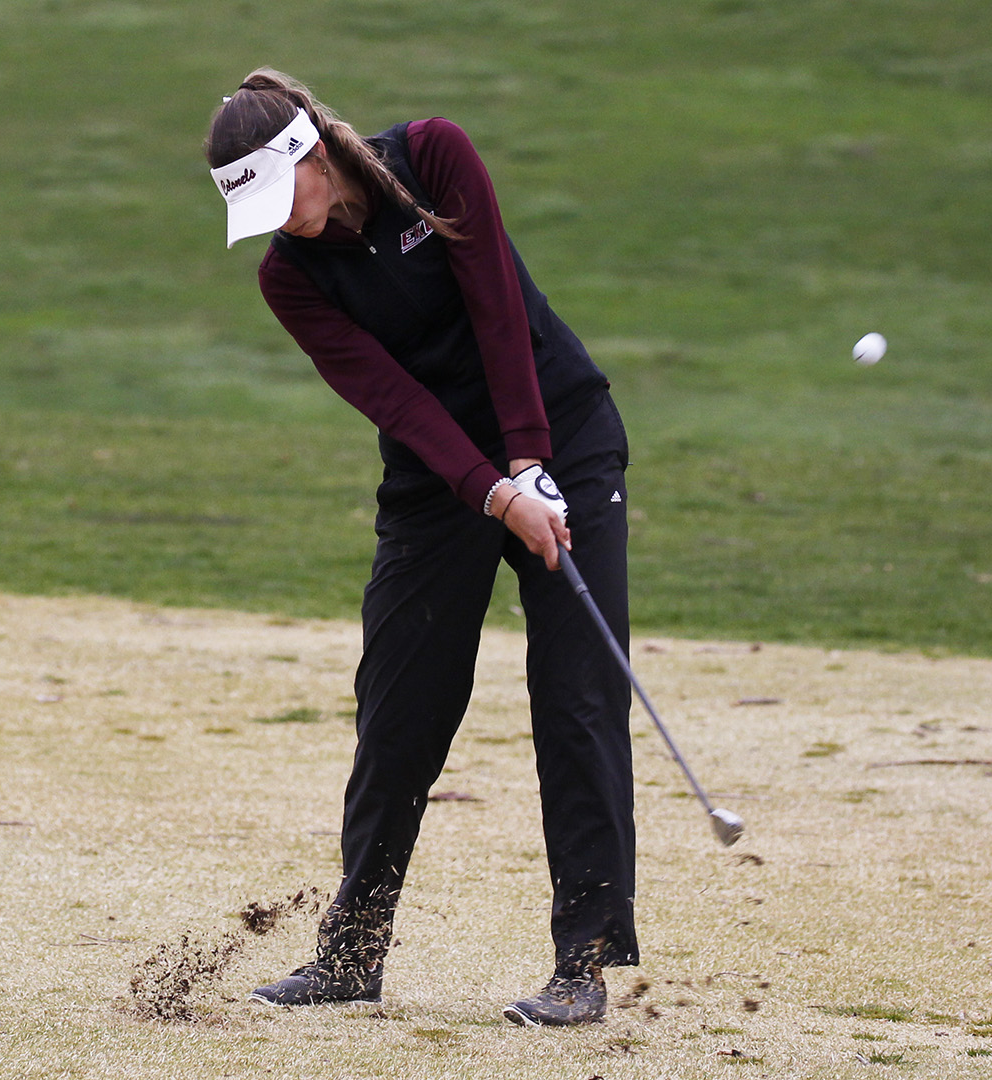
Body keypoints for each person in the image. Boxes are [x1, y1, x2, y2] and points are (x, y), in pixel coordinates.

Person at [204, 69, 636, 1027]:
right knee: (399, 706)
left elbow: (496, 309)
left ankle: (584, 966)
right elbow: (395, 400)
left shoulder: (431, 157)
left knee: (576, 699)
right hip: (439, 478)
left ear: (312, 154)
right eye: (265, 215)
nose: (287, 224)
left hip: (558, 424)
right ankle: (351, 958)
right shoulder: (290, 276)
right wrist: (492, 489)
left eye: (288, 199)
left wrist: (528, 459)